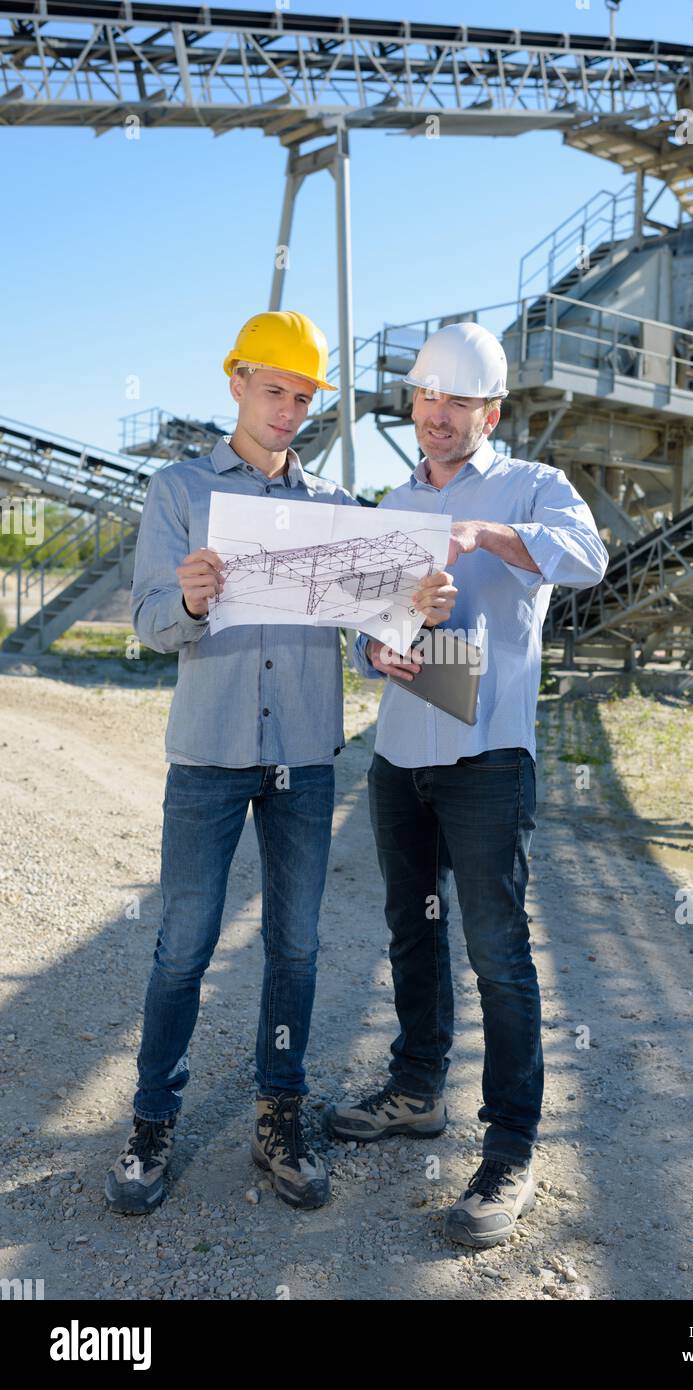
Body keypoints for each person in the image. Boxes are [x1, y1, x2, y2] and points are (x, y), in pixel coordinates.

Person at [105, 310, 455, 1216]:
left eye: (304, 397)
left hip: (304, 757)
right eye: (276, 390)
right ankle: (151, 1123)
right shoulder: (176, 491)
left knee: (294, 949)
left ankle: (280, 1117)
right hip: (210, 757)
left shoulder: (336, 510)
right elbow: (148, 627)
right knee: (183, 947)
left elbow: (368, 642)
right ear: (236, 383)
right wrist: (184, 599)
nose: (291, 409)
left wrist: (412, 611)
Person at [325, 321, 609, 1249]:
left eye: (454, 402)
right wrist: (379, 644)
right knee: (412, 928)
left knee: (496, 951)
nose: (435, 415)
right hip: (401, 752)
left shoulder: (533, 486)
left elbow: (588, 557)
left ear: (489, 411)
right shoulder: (391, 498)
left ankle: (511, 1147)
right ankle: (414, 1091)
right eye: (424, 398)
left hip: (488, 758)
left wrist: (484, 535)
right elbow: (366, 629)